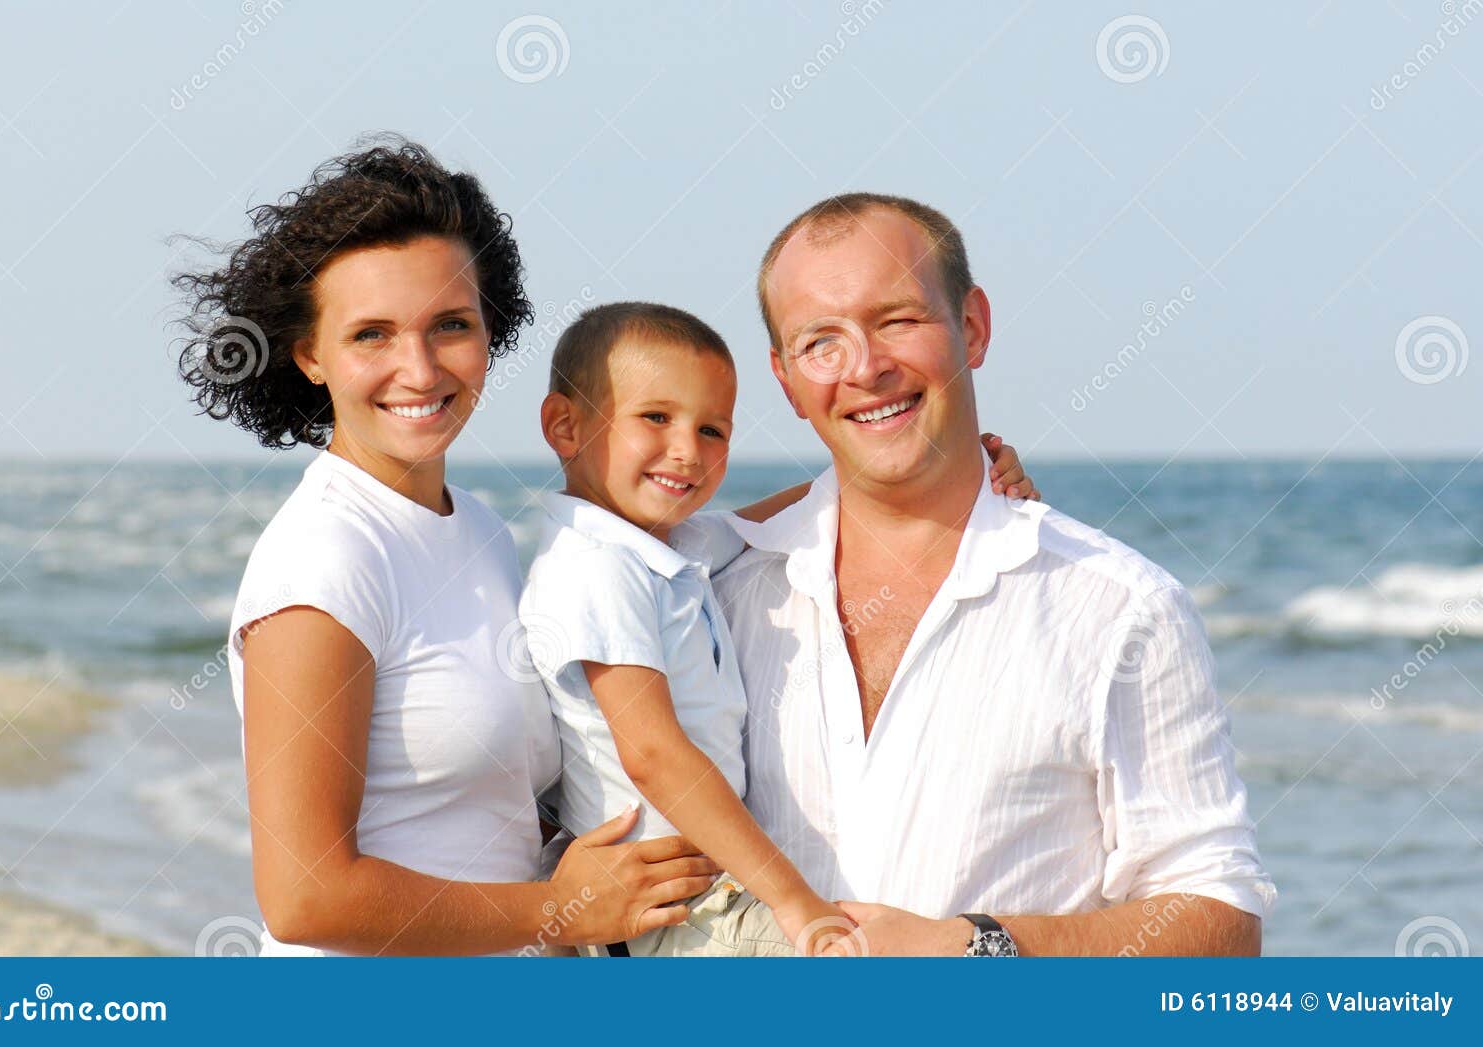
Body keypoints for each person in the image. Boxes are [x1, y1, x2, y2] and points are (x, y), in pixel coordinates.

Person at [672, 192, 1277, 956]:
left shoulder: (1121, 607)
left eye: (897, 319)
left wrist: (976, 949)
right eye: (821, 340)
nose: (865, 367)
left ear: (973, 326)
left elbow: (1219, 924)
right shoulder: (709, 595)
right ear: (788, 378)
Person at [173, 139, 723, 956]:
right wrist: (561, 909)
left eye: (450, 325)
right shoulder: (323, 560)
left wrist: (954, 477)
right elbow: (304, 896)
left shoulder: (480, 530)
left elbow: (683, 540)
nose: (419, 367)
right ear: (309, 355)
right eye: (372, 335)